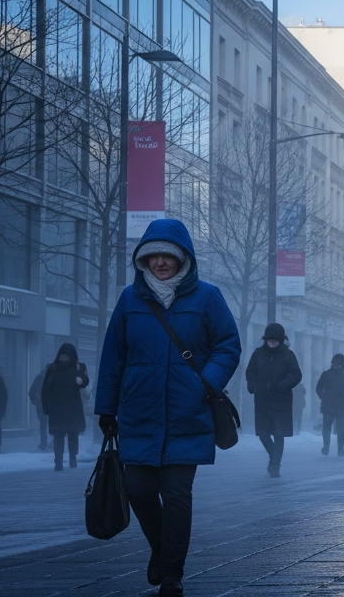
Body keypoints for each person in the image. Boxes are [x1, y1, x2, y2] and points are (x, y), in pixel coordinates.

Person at [95, 218, 241, 596]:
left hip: (187, 412)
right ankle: (161, 549)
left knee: (176, 494)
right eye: (153, 255)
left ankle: (172, 573)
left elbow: (228, 345)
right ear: (143, 260)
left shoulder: (208, 296)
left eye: (168, 255)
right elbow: (114, 355)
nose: (161, 261)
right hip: (138, 412)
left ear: (183, 258)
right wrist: (106, 408)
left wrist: (204, 383)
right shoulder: (130, 298)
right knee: (139, 490)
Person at [245, 323, 302, 478]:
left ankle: (275, 465)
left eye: (275, 340)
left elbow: (296, 375)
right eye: (269, 340)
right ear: (265, 340)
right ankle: (274, 458)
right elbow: (250, 372)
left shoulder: (288, 355)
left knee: (279, 433)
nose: (272, 343)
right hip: (262, 400)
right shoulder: (257, 354)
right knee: (263, 433)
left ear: (281, 340)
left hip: (281, 401)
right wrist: (254, 386)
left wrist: (281, 386)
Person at [42, 343, 89, 471]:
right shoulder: (53, 368)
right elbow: (46, 388)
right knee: (60, 436)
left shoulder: (77, 367)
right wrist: (45, 406)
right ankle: (59, 461)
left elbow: (85, 380)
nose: (64, 360)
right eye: (62, 357)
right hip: (61, 409)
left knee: (70, 435)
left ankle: (70, 459)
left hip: (68, 409)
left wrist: (81, 379)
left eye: (66, 357)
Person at [316, 353, 344, 457]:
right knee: (341, 429)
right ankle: (340, 450)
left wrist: (323, 397)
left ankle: (326, 447)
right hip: (341, 407)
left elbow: (318, 388)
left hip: (329, 406)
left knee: (327, 427)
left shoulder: (326, 374)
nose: (336, 365)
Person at [28, 370, 48, 450]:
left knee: (43, 424)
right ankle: (53, 443)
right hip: (52, 405)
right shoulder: (56, 377)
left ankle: (44, 443)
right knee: (55, 425)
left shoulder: (39, 377)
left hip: (42, 404)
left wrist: (36, 401)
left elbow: (31, 392)